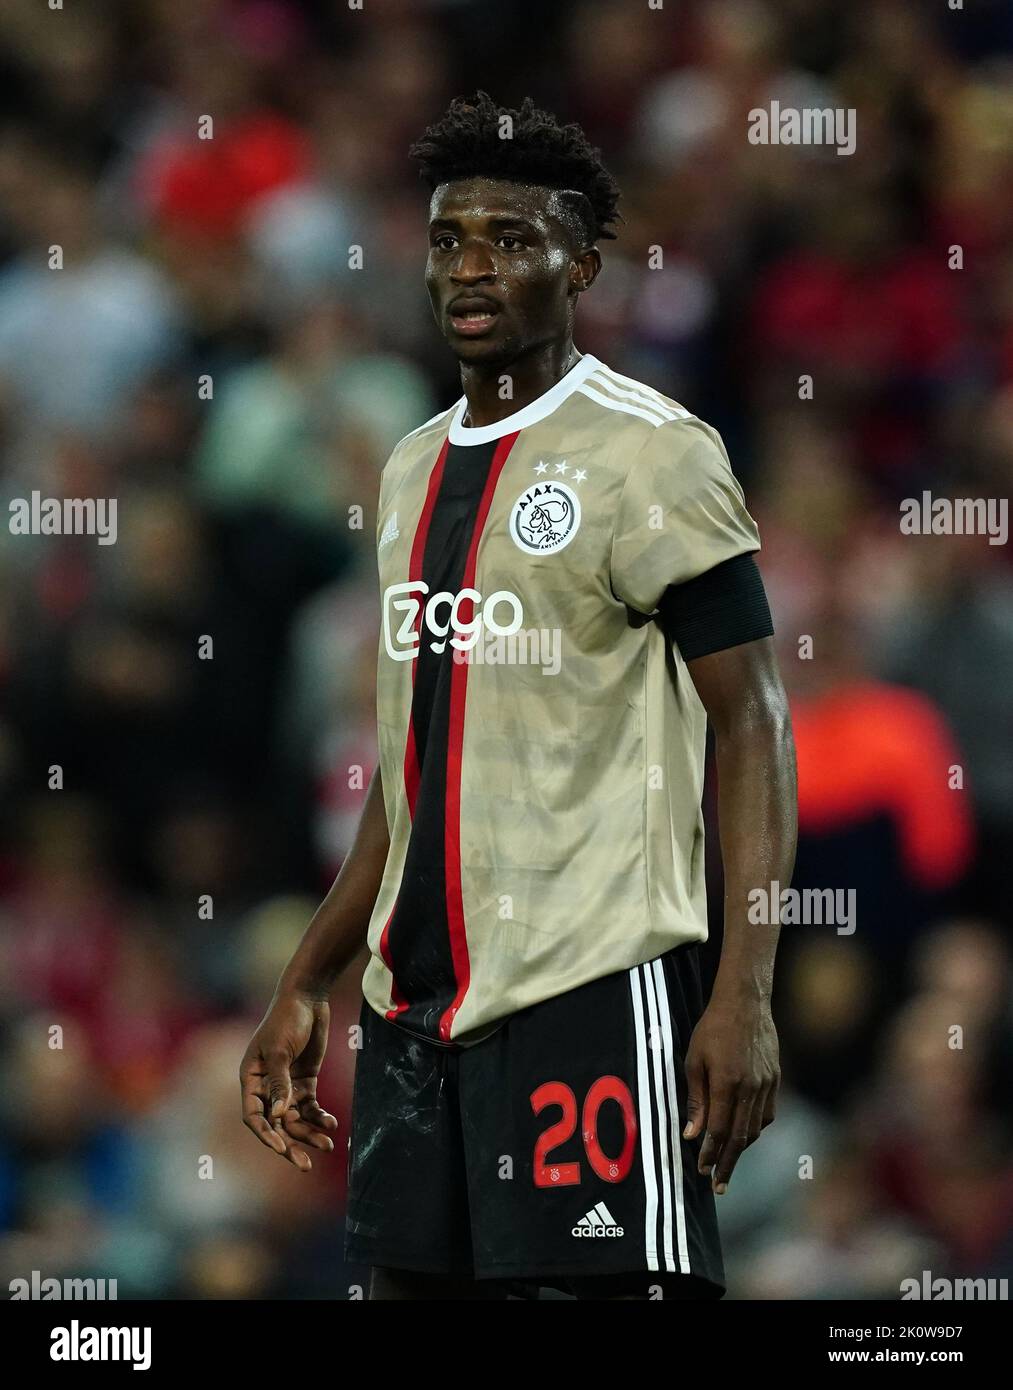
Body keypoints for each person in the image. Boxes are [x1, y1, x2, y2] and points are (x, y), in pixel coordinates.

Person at [240, 93, 797, 1301]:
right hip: (411, 1014)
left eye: (511, 236)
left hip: (589, 988)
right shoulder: (404, 467)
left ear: (582, 265)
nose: (472, 265)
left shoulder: (655, 453)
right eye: (449, 240)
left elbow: (751, 721)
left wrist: (743, 989)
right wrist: (307, 978)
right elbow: (412, 762)